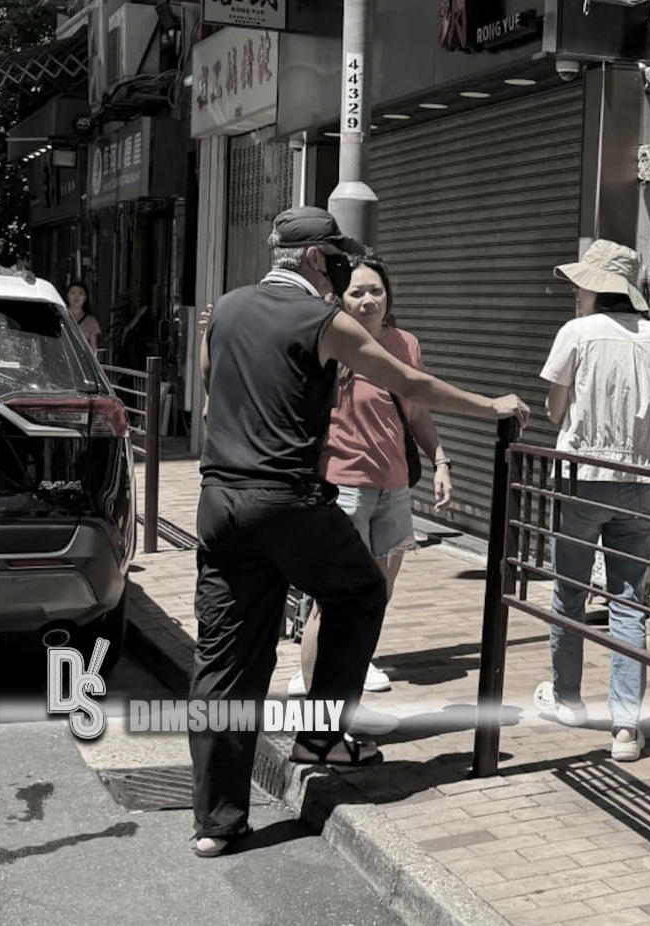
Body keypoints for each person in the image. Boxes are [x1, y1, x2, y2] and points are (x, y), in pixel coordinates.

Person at [190, 206, 529, 859]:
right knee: (360, 592)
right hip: (287, 500)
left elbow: (210, 384)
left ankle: (216, 823)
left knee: (226, 659)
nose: (344, 273)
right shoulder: (321, 318)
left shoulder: (227, 308)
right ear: (316, 259)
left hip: (220, 501)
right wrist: (490, 406)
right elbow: (408, 381)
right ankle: (319, 740)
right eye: (339, 260)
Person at [285, 256, 454, 732]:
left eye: (375, 291)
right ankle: (319, 706)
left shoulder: (405, 344)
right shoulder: (328, 341)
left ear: (388, 296)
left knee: (376, 595)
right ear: (340, 298)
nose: (367, 300)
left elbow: (417, 412)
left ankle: (351, 687)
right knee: (332, 600)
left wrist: (441, 460)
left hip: (393, 488)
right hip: (343, 487)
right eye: (356, 292)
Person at [532, 240, 650, 763]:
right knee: (628, 602)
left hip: (583, 476)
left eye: (581, 285)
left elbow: (553, 410)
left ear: (596, 289)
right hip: (642, 480)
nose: (576, 293)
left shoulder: (577, 332)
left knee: (570, 591)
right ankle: (627, 727)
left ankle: (567, 697)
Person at [66, 281, 100, 352]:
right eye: (73, 293)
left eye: (80, 293)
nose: (76, 297)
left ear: (85, 297)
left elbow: (93, 347)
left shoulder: (91, 321)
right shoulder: (60, 317)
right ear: (67, 296)